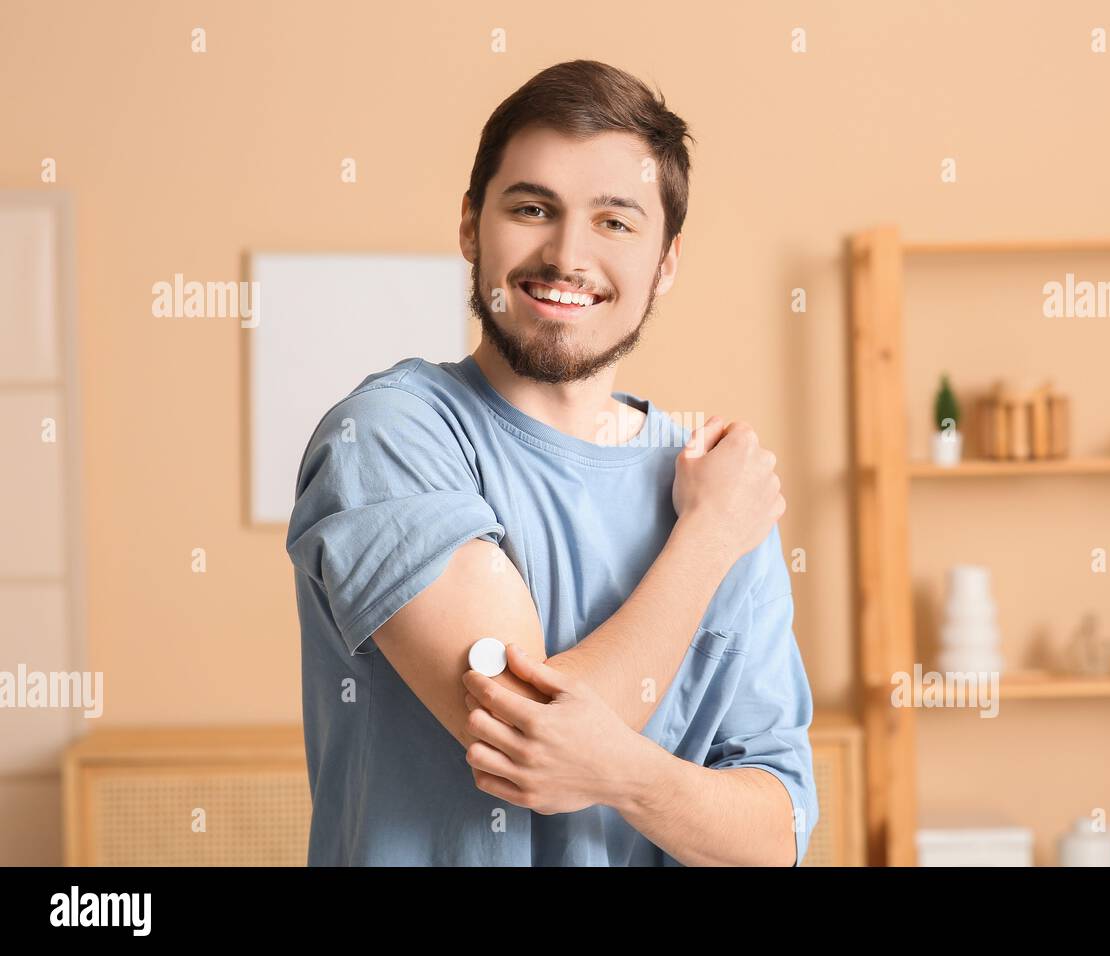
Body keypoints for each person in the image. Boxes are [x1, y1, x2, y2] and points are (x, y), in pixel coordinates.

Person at [286, 59, 818, 866]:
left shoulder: (717, 479)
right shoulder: (386, 437)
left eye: (615, 221)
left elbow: (773, 834)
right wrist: (707, 540)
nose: (567, 254)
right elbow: (525, 740)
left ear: (665, 262)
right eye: (533, 208)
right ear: (471, 225)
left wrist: (622, 773)